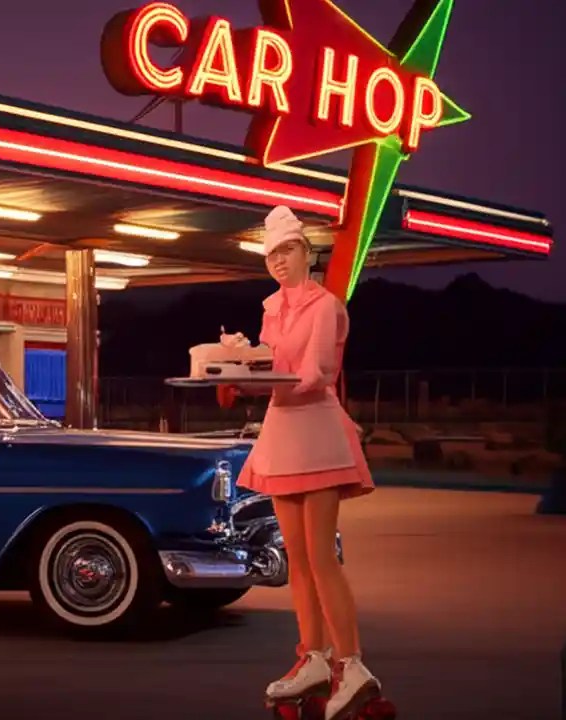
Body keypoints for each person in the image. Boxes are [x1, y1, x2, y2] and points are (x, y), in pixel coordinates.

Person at [231, 205, 379, 720]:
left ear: (306, 253)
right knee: (297, 557)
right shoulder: (272, 307)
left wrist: (264, 375)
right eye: (271, 253)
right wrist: (235, 369)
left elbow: (315, 373)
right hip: (282, 431)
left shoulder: (325, 306)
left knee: (322, 556)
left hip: (315, 429)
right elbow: (272, 367)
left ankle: (352, 664)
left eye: (287, 250)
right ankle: (313, 658)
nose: (279, 261)